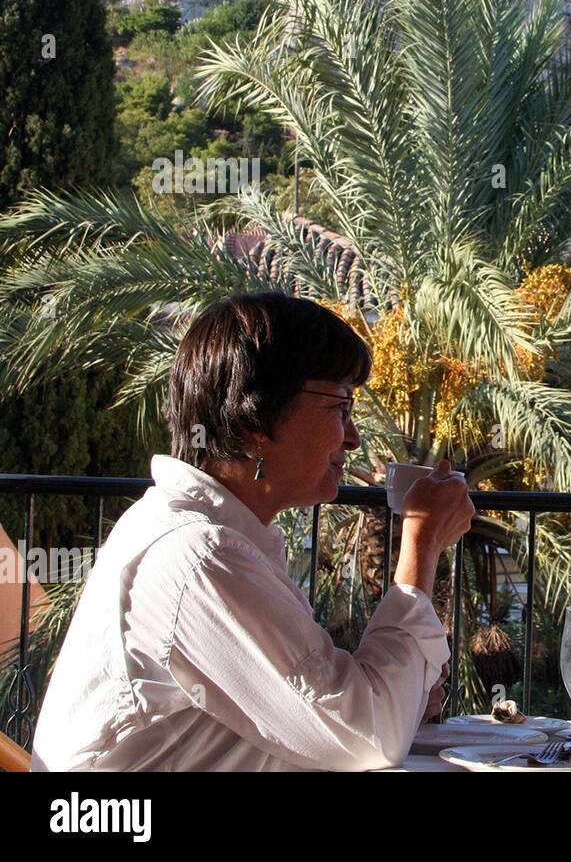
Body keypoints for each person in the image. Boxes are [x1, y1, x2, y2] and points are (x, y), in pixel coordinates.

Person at [31, 293, 475, 770]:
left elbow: (315, 712)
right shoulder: (199, 554)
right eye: (340, 407)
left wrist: (400, 699)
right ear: (255, 418)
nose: (353, 437)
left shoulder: (208, 534)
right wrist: (422, 540)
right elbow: (365, 733)